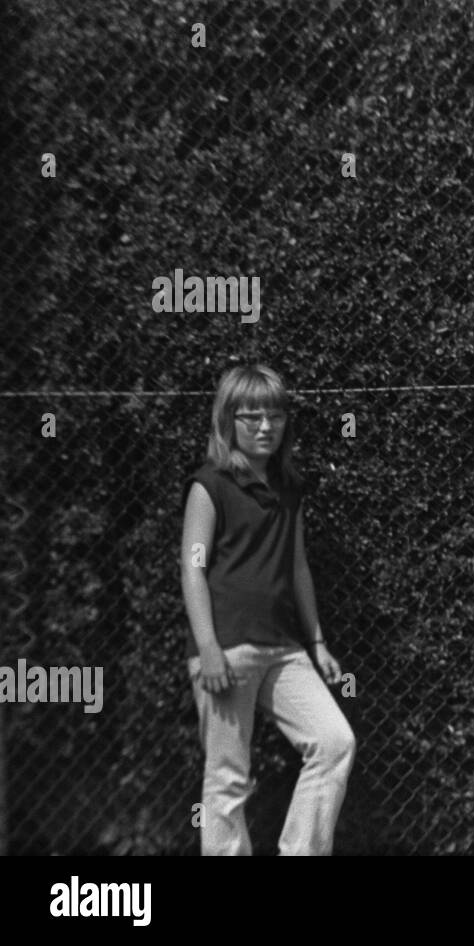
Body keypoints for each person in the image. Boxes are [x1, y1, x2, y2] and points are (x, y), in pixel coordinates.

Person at [178, 364, 355, 855]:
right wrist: (208, 647)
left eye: (275, 416)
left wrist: (317, 641)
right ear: (228, 420)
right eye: (252, 416)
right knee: (227, 776)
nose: (265, 426)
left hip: (284, 648)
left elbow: (297, 567)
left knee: (334, 742)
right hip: (226, 649)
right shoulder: (209, 485)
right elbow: (193, 567)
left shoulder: (289, 487)